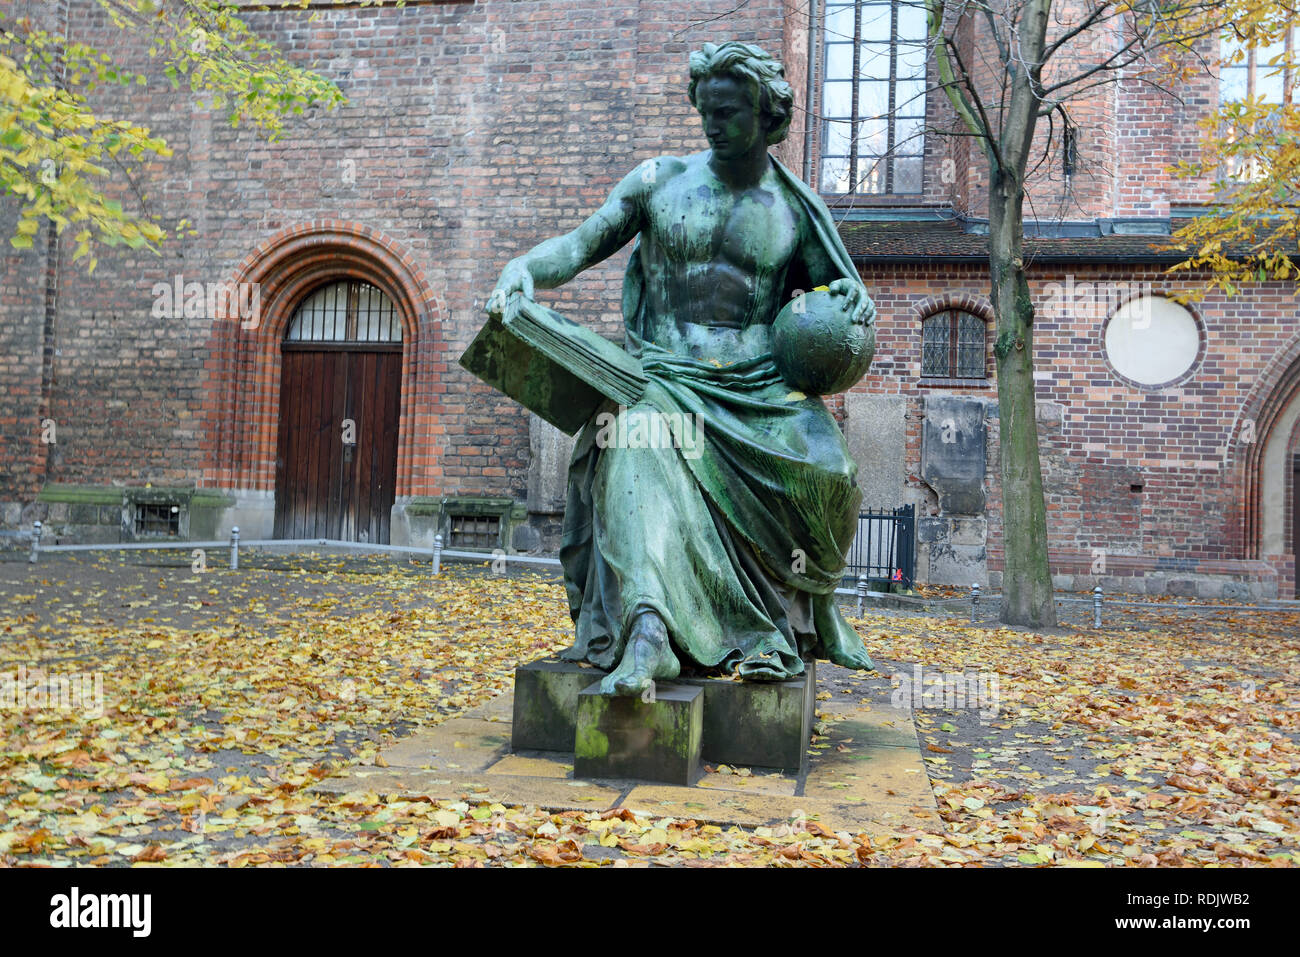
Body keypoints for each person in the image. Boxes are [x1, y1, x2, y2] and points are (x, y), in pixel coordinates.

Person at [486, 41, 876, 696]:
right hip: (663, 375)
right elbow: (580, 246)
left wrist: (853, 306)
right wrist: (522, 269)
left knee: (833, 470)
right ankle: (648, 633)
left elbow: (841, 310)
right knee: (637, 449)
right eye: (705, 111)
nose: (712, 124)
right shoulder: (658, 181)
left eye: (727, 112)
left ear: (766, 113)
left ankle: (819, 609)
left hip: (758, 383)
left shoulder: (796, 209)